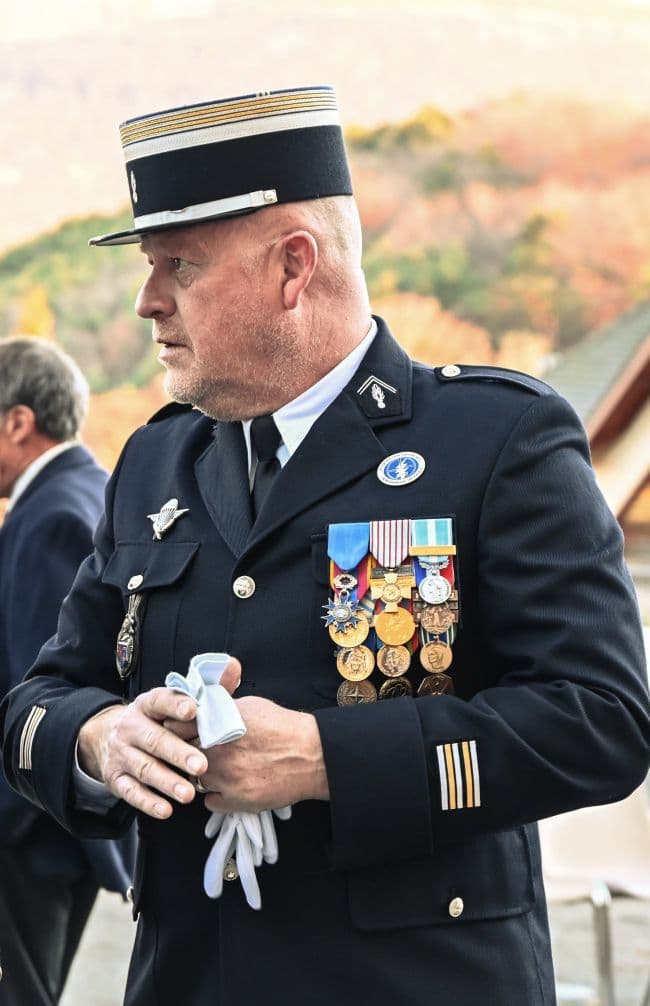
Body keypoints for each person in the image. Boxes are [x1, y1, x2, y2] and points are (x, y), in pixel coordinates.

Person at [1, 86, 649, 1006]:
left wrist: (323, 759)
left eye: (177, 266)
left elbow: (602, 721)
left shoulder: (495, 440)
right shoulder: (154, 462)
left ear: (293, 268)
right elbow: (38, 696)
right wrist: (102, 740)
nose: (147, 302)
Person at [0, 337, 134, 1006]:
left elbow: (49, 686)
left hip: (31, 835)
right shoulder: (91, 488)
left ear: (18, 422)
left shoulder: (51, 515)